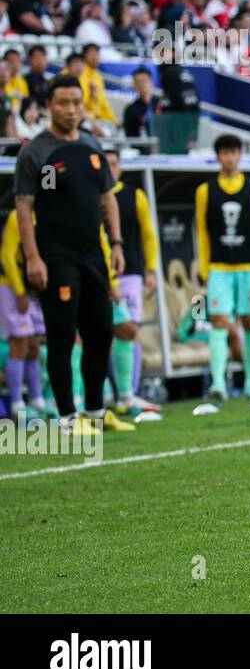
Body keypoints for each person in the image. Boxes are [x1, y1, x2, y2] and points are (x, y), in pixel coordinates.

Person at [13, 74, 128, 433]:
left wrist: (118, 243)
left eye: (77, 102)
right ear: (49, 106)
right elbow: (27, 208)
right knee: (62, 336)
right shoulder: (40, 153)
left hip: (93, 256)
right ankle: (66, 418)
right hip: (57, 258)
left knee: (101, 332)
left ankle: (95, 412)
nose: (71, 110)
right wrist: (34, 258)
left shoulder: (93, 148)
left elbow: (107, 197)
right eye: (63, 103)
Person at [196, 134, 250, 401]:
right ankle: (218, 382)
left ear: (239, 155)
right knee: (219, 322)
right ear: (218, 156)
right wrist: (204, 267)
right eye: (224, 153)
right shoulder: (205, 191)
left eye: (233, 152)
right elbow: (202, 231)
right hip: (219, 266)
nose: (229, 158)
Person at [104, 146, 159, 412]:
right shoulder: (91, 196)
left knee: (130, 330)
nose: (110, 168)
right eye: (106, 164)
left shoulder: (133, 196)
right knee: (97, 334)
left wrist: (151, 270)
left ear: (120, 167)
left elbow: (148, 234)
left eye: (114, 163)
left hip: (130, 273)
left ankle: (130, 392)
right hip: (96, 274)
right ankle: (102, 394)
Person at [0, 208, 50, 422]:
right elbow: (7, 256)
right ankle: (17, 404)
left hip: (32, 291)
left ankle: (37, 400)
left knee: (33, 345)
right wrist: (19, 292)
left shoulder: (49, 213)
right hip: (10, 287)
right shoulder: (18, 216)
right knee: (19, 344)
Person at [121, 66, 157, 146]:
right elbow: (130, 137)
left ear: (151, 82)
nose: (142, 85)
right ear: (134, 85)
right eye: (138, 82)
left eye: (144, 81)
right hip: (142, 150)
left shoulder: (161, 104)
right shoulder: (131, 110)